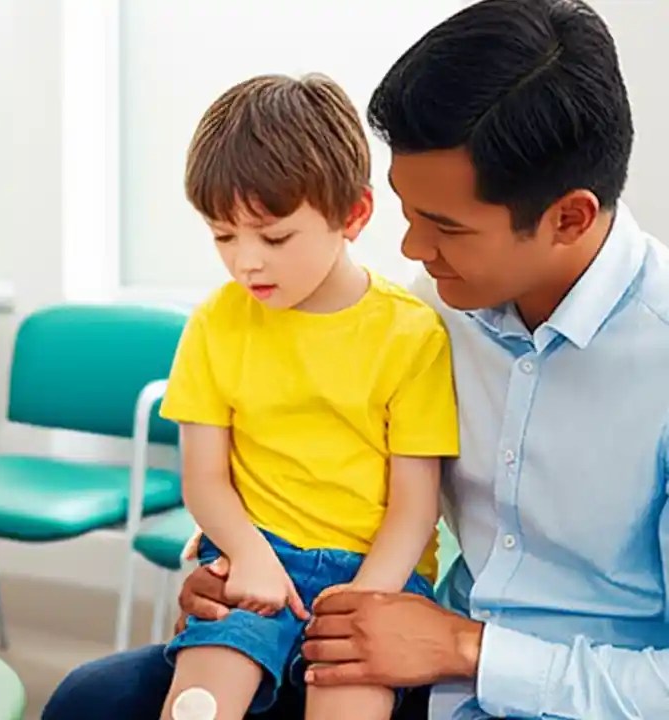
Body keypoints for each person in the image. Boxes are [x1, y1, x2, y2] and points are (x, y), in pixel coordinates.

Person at [44, 0, 669, 718]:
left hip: (562, 690)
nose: (411, 250)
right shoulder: (431, 308)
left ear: (569, 218)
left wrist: (467, 649)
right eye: (408, 213)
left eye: (444, 227)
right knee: (91, 701)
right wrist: (233, 555)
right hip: (394, 645)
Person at [154, 74, 458, 720]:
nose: (246, 264)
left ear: (353, 215)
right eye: (223, 237)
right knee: (197, 708)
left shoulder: (410, 334)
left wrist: (367, 601)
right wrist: (249, 555)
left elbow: (414, 507)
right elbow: (204, 479)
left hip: (375, 571)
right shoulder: (214, 323)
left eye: (274, 237)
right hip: (255, 551)